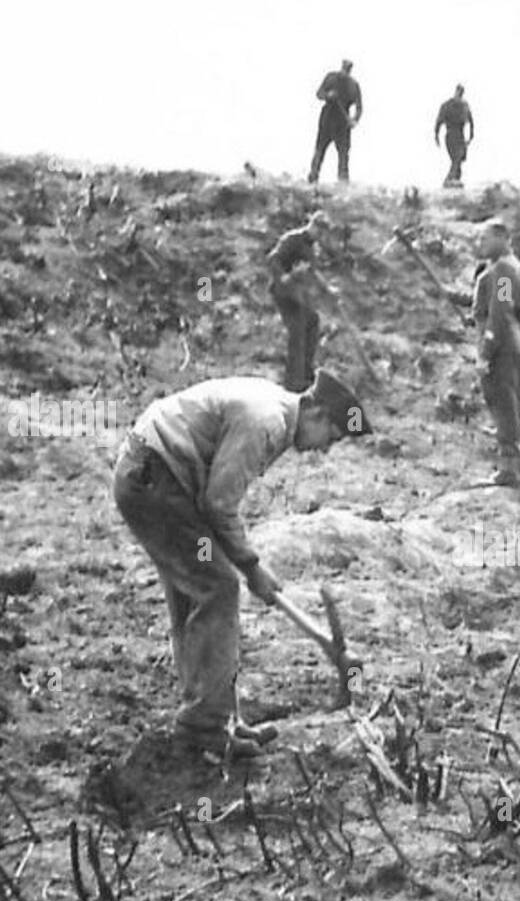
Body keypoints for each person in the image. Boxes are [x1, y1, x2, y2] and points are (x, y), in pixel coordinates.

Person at [113, 372, 371, 759]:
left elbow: (213, 498)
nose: (324, 451)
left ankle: (215, 717)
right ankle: (204, 728)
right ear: (314, 411)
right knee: (218, 588)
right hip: (157, 484)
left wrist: (242, 561)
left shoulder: (273, 409)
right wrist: (251, 567)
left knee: (198, 588)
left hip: (160, 479)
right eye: (331, 437)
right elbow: (219, 502)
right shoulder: (265, 421)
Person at [472, 221, 520, 487]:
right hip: (513, 343)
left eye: (485, 238)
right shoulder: (508, 267)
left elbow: (501, 312)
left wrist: (486, 351)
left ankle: (510, 469)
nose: (480, 244)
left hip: (503, 348)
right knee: (511, 406)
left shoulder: (505, 269)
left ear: (502, 238)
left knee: (504, 406)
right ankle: (516, 469)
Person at [267, 210, 329, 391]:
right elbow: (273, 259)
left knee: (312, 322)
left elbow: (313, 272)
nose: (320, 233)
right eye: (319, 228)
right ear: (312, 224)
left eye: (323, 231)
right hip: (283, 293)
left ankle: (306, 375)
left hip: (297, 295)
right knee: (298, 331)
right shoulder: (292, 239)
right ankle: (293, 383)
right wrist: (284, 276)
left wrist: (327, 288)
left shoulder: (312, 248)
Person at [308, 59, 363, 184]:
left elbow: (359, 108)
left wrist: (354, 120)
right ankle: (312, 179)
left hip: (343, 125)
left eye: (347, 70)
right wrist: (328, 95)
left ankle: (343, 184)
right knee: (319, 150)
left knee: (343, 155)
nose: (345, 72)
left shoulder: (353, 85)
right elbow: (319, 94)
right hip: (327, 119)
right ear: (341, 67)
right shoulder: (331, 78)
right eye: (344, 69)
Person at [434, 84, 474, 188]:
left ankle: (455, 180)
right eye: (458, 92)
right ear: (455, 91)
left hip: (460, 134)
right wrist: (436, 135)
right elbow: (439, 121)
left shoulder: (464, 106)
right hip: (451, 134)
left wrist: (471, 136)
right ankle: (449, 180)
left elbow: (471, 121)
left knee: (460, 159)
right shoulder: (447, 105)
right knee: (456, 158)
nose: (459, 94)